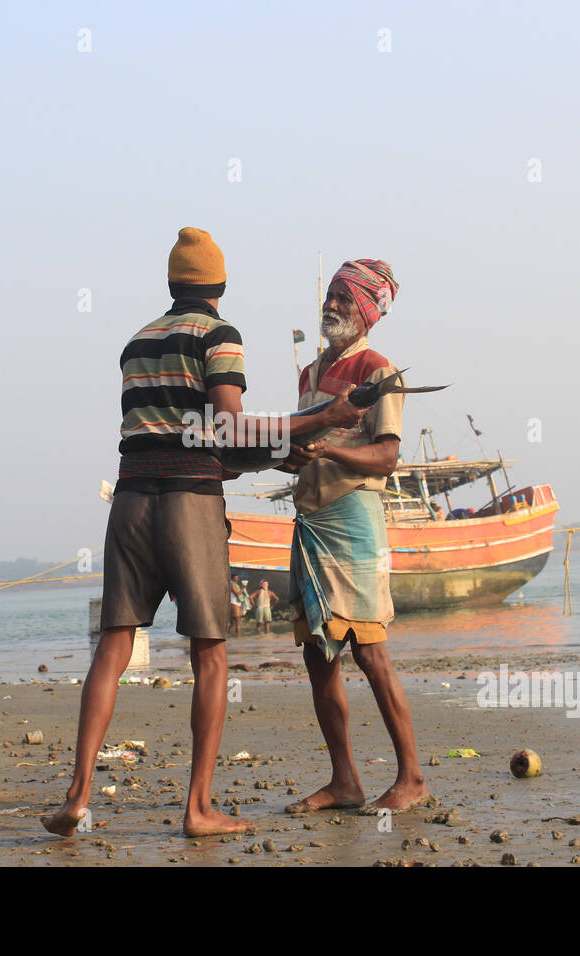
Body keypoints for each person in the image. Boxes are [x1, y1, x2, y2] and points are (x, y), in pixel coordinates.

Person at [43, 228, 365, 839]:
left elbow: (190, 436)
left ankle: (79, 794)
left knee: (113, 649)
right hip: (188, 509)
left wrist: (276, 453)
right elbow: (226, 426)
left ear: (172, 283)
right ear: (219, 286)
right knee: (210, 655)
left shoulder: (137, 343)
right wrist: (323, 418)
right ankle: (198, 808)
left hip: (132, 503)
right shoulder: (220, 335)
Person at [281, 259, 430, 815]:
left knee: (371, 654)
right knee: (319, 657)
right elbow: (301, 450)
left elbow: (387, 456)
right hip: (309, 523)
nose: (334, 304)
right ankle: (345, 780)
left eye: (346, 297)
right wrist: (289, 455)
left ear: (369, 309)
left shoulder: (380, 370)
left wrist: (329, 449)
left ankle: (412, 778)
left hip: (353, 519)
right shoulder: (309, 374)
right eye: (332, 295)